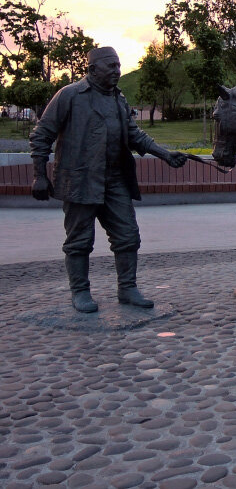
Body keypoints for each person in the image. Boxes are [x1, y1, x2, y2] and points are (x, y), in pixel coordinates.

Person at [29, 46, 188, 313]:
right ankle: (80, 292)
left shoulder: (118, 98)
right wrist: (39, 176)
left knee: (128, 236)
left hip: (115, 180)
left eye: (118, 65)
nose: (118, 71)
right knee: (79, 240)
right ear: (92, 70)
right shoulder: (69, 95)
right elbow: (41, 134)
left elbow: (135, 134)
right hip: (80, 180)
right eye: (111, 66)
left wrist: (165, 154)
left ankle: (127, 288)